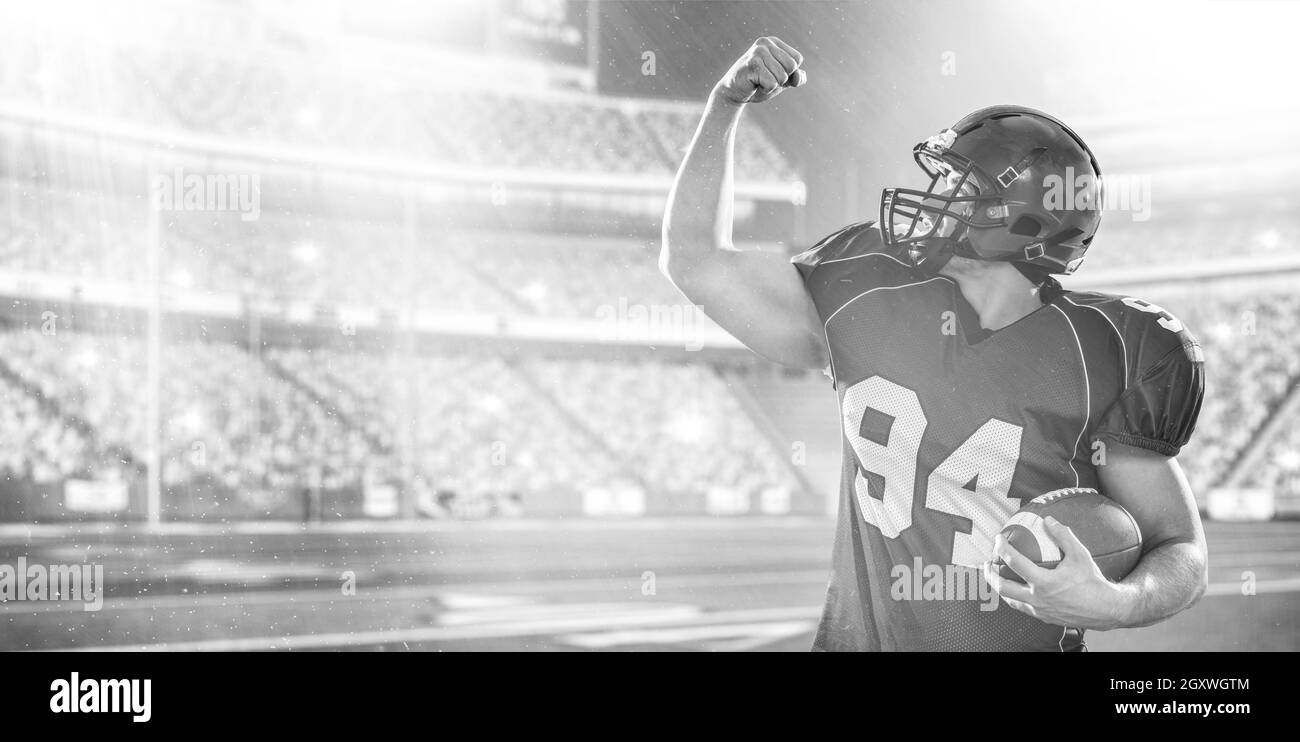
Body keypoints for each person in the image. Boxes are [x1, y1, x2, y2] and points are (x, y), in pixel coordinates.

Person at [660, 37, 1208, 651]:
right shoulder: (867, 286)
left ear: (1022, 220)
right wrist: (726, 103)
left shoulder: (1109, 349)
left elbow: (1178, 546)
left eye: (958, 185)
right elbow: (697, 262)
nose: (935, 198)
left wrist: (1118, 602)